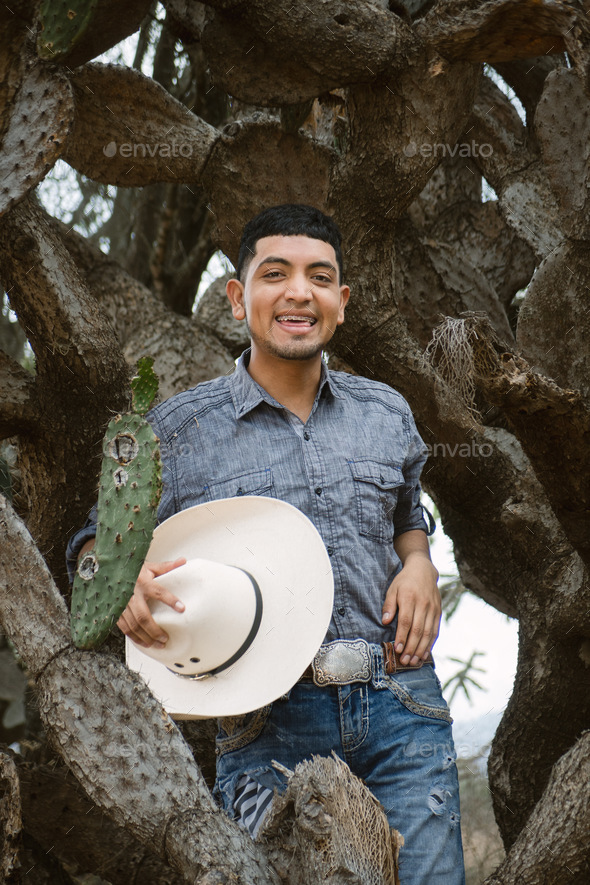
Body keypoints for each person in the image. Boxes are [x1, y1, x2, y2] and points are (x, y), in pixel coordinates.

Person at [67, 204, 465, 884]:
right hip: (266, 723)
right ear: (236, 297)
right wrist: (109, 573)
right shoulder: (180, 429)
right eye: (274, 273)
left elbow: (405, 509)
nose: (298, 292)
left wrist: (421, 559)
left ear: (340, 301)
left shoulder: (386, 410)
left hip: (402, 701)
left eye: (319, 276)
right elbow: (96, 535)